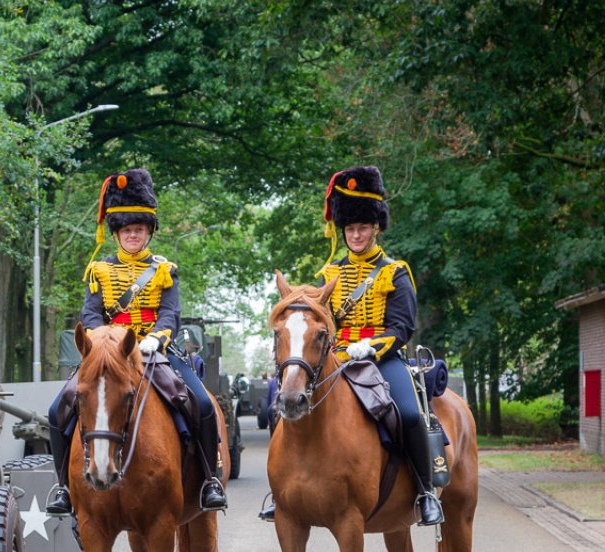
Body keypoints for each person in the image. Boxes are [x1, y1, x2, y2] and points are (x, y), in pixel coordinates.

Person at [259, 165, 443, 526]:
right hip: (338, 357)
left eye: (362, 228)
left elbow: (402, 327)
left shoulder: (395, 272)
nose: (356, 235)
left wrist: (370, 347)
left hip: (383, 358)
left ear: (376, 228)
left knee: (408, 413)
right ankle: (282, 492)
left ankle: (424, 493)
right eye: (350, 229)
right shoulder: (329, 275)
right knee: (282, 407)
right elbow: (314, 322)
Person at [46, 167, 228, 514]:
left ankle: (209, 481)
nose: (133, 235)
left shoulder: (164, 270)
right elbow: (91, 315)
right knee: (58, 409)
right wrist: (105, 343)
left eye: (139, 229)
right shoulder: (99, 271)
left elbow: (170, 313)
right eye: (128, 229)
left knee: (202, 405)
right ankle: (63, 488)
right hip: (108, 355)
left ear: (148, 232)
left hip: (154, 352)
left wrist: (156, 339)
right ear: (117, 232)